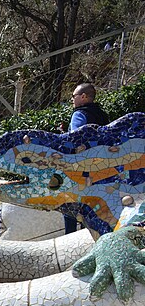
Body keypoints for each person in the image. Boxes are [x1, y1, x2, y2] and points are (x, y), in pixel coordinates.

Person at [64, 84, 110, 234]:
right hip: (100, 167)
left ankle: (69, 238)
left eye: (74, 96)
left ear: (83, 97)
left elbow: (76, 138)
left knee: (70, 204)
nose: (72, 99)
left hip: (79, 167)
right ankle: (86, 237)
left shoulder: (79, 114)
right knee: (90, 206)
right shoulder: (102, 115)